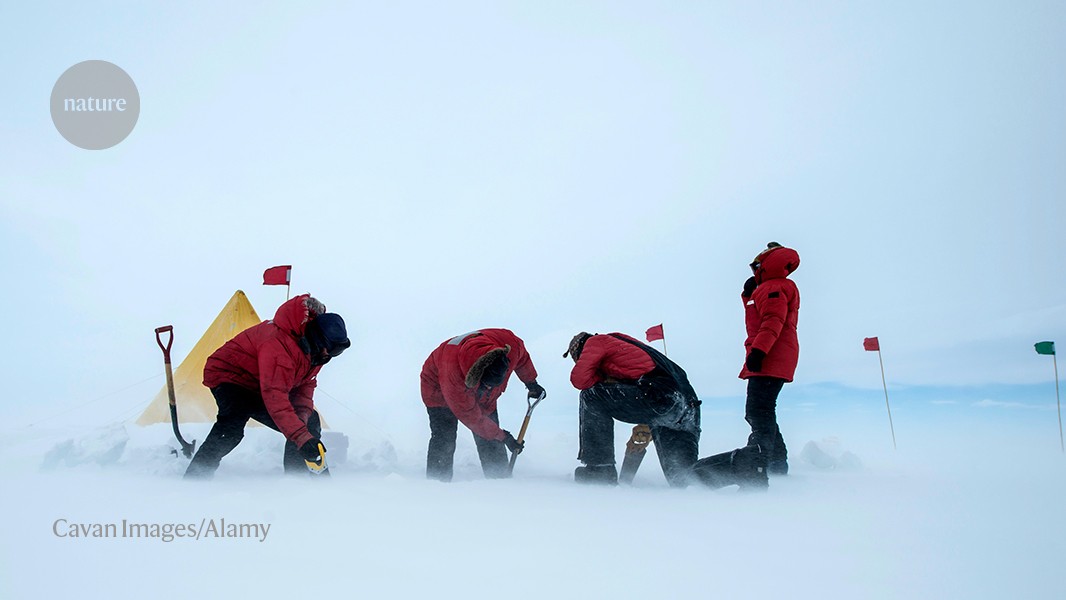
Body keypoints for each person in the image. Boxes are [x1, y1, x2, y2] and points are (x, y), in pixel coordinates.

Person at [184, 294, 350, 479]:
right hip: (231, 376)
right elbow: (275, 396)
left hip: (261, 381)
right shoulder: (279, 345)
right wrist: (301, 437)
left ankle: (297, 478)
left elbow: (305, 387)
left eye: (338, 351)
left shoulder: (317, 352)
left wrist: (302, 421)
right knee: (231, 427)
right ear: (318, 337)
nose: (331, 355)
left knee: (309, 421)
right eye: (332, 349)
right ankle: (195, 477)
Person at [565, 331, 701, 487]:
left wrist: (599, 378)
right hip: (686, 405)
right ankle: (733, 463)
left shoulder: (596, 341)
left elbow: (579, 379)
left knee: (591, 396)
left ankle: (599, 470)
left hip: (660, 396)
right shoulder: (620, 342)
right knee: (684, 479)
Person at [420, 328, 545, 481]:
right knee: (444, 436)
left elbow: (522, 358)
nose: (490, 388)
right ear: (477, 377)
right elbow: (472, 417)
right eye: (487, 385)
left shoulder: (509, 345)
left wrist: (531, 382)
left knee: (490, 432)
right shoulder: (453, 376)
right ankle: (437, 481)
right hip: (437, 388)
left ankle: (499, 478)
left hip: (481, 393)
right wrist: (504, 436)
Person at [739, 242, 801, 479]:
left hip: (770, 356)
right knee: (761, 410)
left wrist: (759, 352)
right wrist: (748, 295)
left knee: (758, 411)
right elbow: (757, 317)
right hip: (773, 355)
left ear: (766, 264)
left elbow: (772, 320)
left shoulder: (775, 287)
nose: (754, 270)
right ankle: (775, 461)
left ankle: (763, 461)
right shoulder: (772, 287)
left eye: (757, 265)